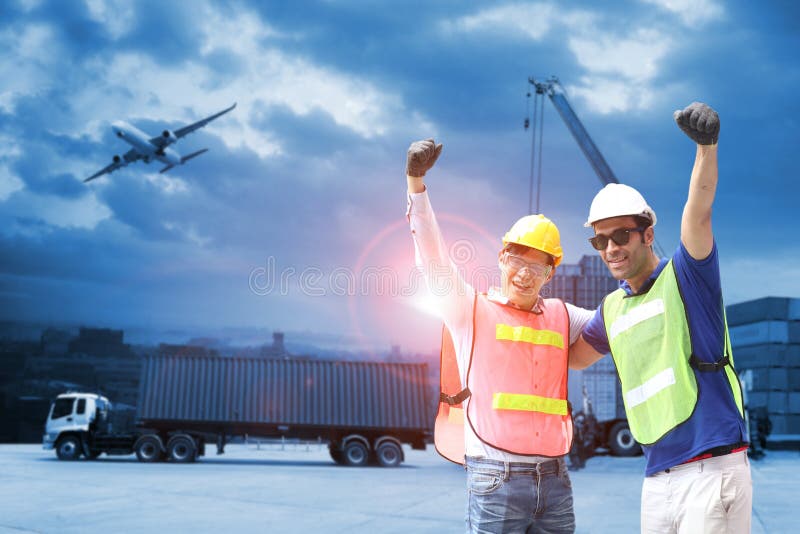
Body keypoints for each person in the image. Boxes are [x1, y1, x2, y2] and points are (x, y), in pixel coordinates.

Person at [569, 102, 752, 533]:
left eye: (621, 235)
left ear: (648, 234)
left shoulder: (688, 276)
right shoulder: (612, 310)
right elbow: (574, 357)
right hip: (656, 475)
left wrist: (706, 148)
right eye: (600, 241)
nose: (611, 248)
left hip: (711, 468)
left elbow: (698, 211)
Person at [405, 138, 593, 533]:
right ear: (501, 257)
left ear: (550, 273)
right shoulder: (468, 309)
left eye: (537, 267)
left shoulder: (563, 315)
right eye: (517, 261)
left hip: (555, 477)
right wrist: (416, 186)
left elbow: (617, 323)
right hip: (495, 475)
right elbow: (434, 258)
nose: (524, 274)